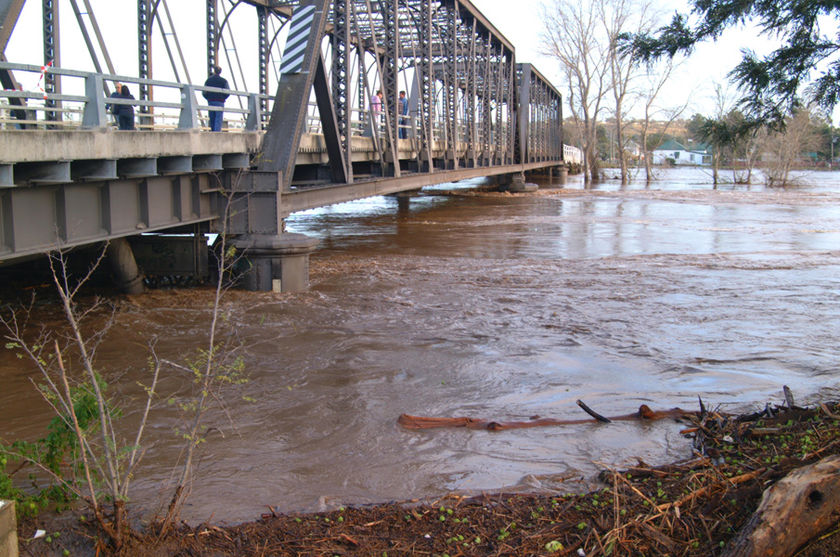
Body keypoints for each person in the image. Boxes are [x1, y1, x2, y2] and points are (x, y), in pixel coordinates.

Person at [203, 66, 229, 132]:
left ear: (214, 71)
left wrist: (208, 98)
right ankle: (217, 132)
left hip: (211, 101)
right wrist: (223, 98)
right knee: (218, 118)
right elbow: (228, 92)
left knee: (212, 117)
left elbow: (204, 92)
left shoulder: (208, 80)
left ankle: (212, 131)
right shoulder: (224, 81)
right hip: (220, 101)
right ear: (220, 72)